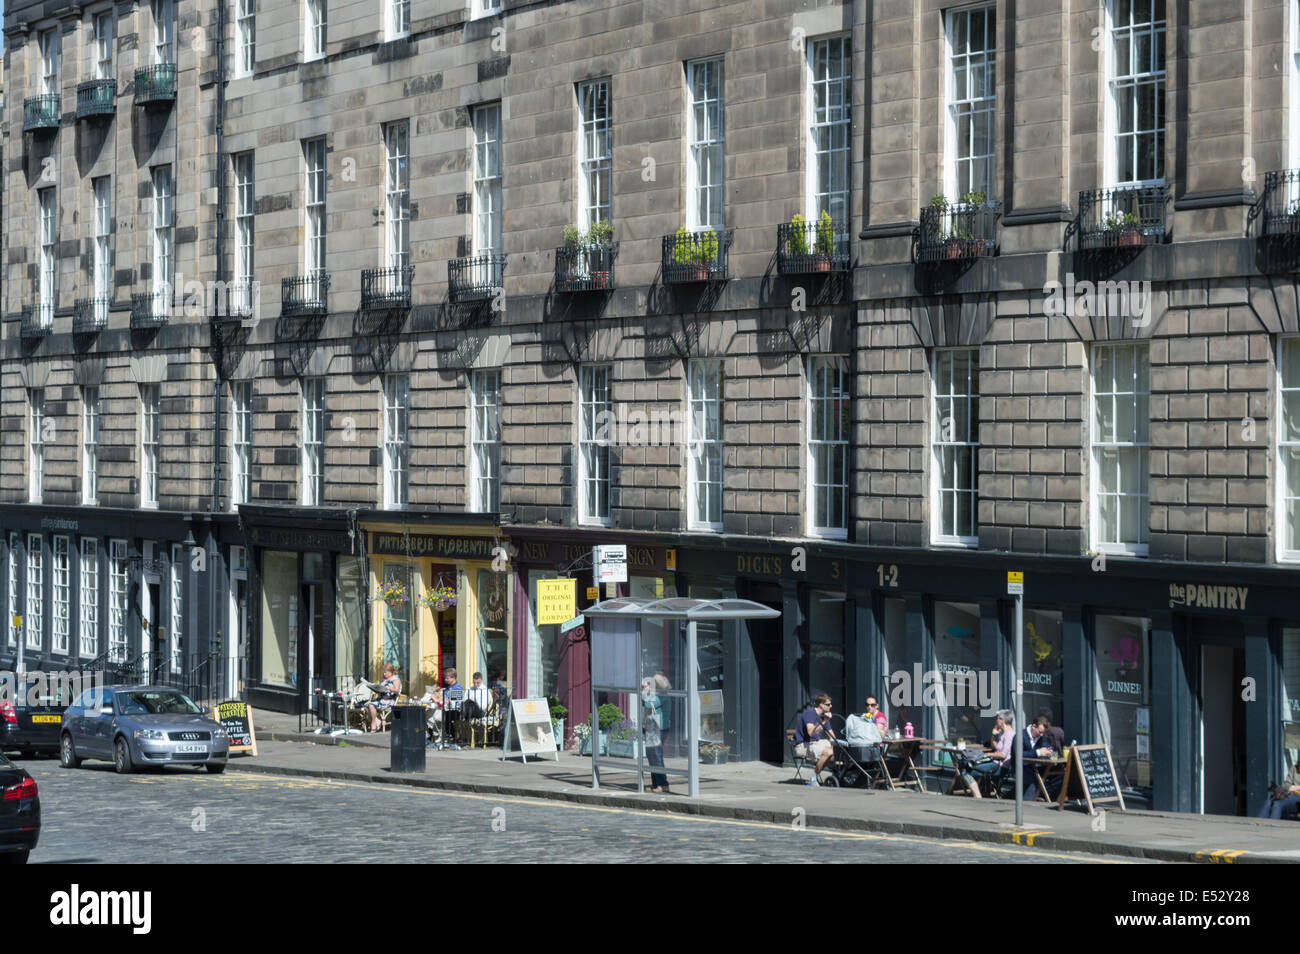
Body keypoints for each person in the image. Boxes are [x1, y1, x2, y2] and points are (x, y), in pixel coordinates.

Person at [960, 709, 1014, 799]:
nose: (996, 720)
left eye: (997, 718)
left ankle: (977, 797)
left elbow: (1003, 755)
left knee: (966, 771)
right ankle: (981, 794)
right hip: (996, 764)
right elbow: (995, 747)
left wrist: (989, 754)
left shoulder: (1009, 735)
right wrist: (993, 735)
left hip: (1000, 766)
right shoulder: (1004, 733)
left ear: (1002, 720)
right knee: (968, 764)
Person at [793, 693, 835, 786]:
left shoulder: (823, 716)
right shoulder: (809, 714)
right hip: (802, 745)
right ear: (821, 704)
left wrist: (835, 746)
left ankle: (836, 777)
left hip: (815, 743)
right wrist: (824, 721)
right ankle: (813, 779)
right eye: (828, 704)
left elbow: (831, 735)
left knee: (835, 751)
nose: (831, 706)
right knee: (828, 752)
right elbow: (811, 732)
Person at [642, 673, 671, 793]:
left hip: (659, 728)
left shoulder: (662, 695)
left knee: (656, 756)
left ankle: (663, 784)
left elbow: (648, 704)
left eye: (652, 682)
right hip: (653, 727)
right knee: (652, 756)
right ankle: (656, 783)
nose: (649, 684)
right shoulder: (657, 693)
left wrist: (646, 691)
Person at [364, 663, 401, 733]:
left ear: (391, 671)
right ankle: (376, 720)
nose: (384, 674)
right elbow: (381, 688)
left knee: (371, 705)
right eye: (383, 672)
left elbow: (397, 691)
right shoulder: (384, 679)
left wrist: (389, 688)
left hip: (389, 700)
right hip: (381, 699)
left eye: (385, 672)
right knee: (366, 705)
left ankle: (373, 724)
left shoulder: (396, 679)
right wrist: (375, 689)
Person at [442, 668, 464, 750]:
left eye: (447, 678)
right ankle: (448, 737)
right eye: (445, 678)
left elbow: (458, 702)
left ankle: (453, 738)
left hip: (456, 711)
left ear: (453, 677)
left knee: (446, 718)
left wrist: (448, 700)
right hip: (447, 709)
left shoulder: (458, 687)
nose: (445, 679)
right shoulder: (447, 688)